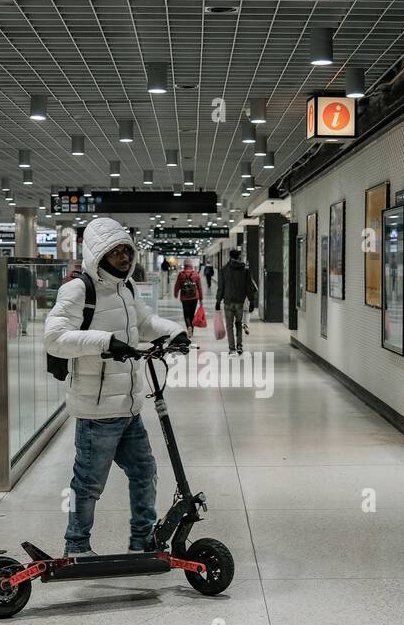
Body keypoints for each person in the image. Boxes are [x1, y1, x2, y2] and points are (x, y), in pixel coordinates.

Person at [44, 217, 189, 556]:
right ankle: (77, 546)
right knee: (89, 484)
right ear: (99, 254)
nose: (124, 257)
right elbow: (54, 337)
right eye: (116, 251)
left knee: (145, 473)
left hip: (129, 407)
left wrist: (173, 331)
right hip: (96, 412)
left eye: (127, 250)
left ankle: (143, 542)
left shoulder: (126, 289)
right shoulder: (78, 290)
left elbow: (143, 322)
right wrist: (105, 342)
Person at [215, 247, 257, 354]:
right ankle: (239, 345)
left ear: (230, 256)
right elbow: (249, 287)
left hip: (228, 302)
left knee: (229, 326)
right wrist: (252, 301)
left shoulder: (223, 270)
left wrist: (218, 301)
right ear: (239, 257)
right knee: (238, 324)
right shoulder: (245, 270)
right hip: (239, 302)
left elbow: (221, 287)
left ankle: (232, 348)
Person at [173, 258, 204, 339]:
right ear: (191, 265)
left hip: (184, 298)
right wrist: (201, 298)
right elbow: (199, 287)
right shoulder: (196, 274)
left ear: (184, 265)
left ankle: (188, 327)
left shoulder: (181, 274)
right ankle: (192, 330)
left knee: (186, 314)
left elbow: (177, 285)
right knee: (192, 314)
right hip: (194, 298)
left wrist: (176, 293)